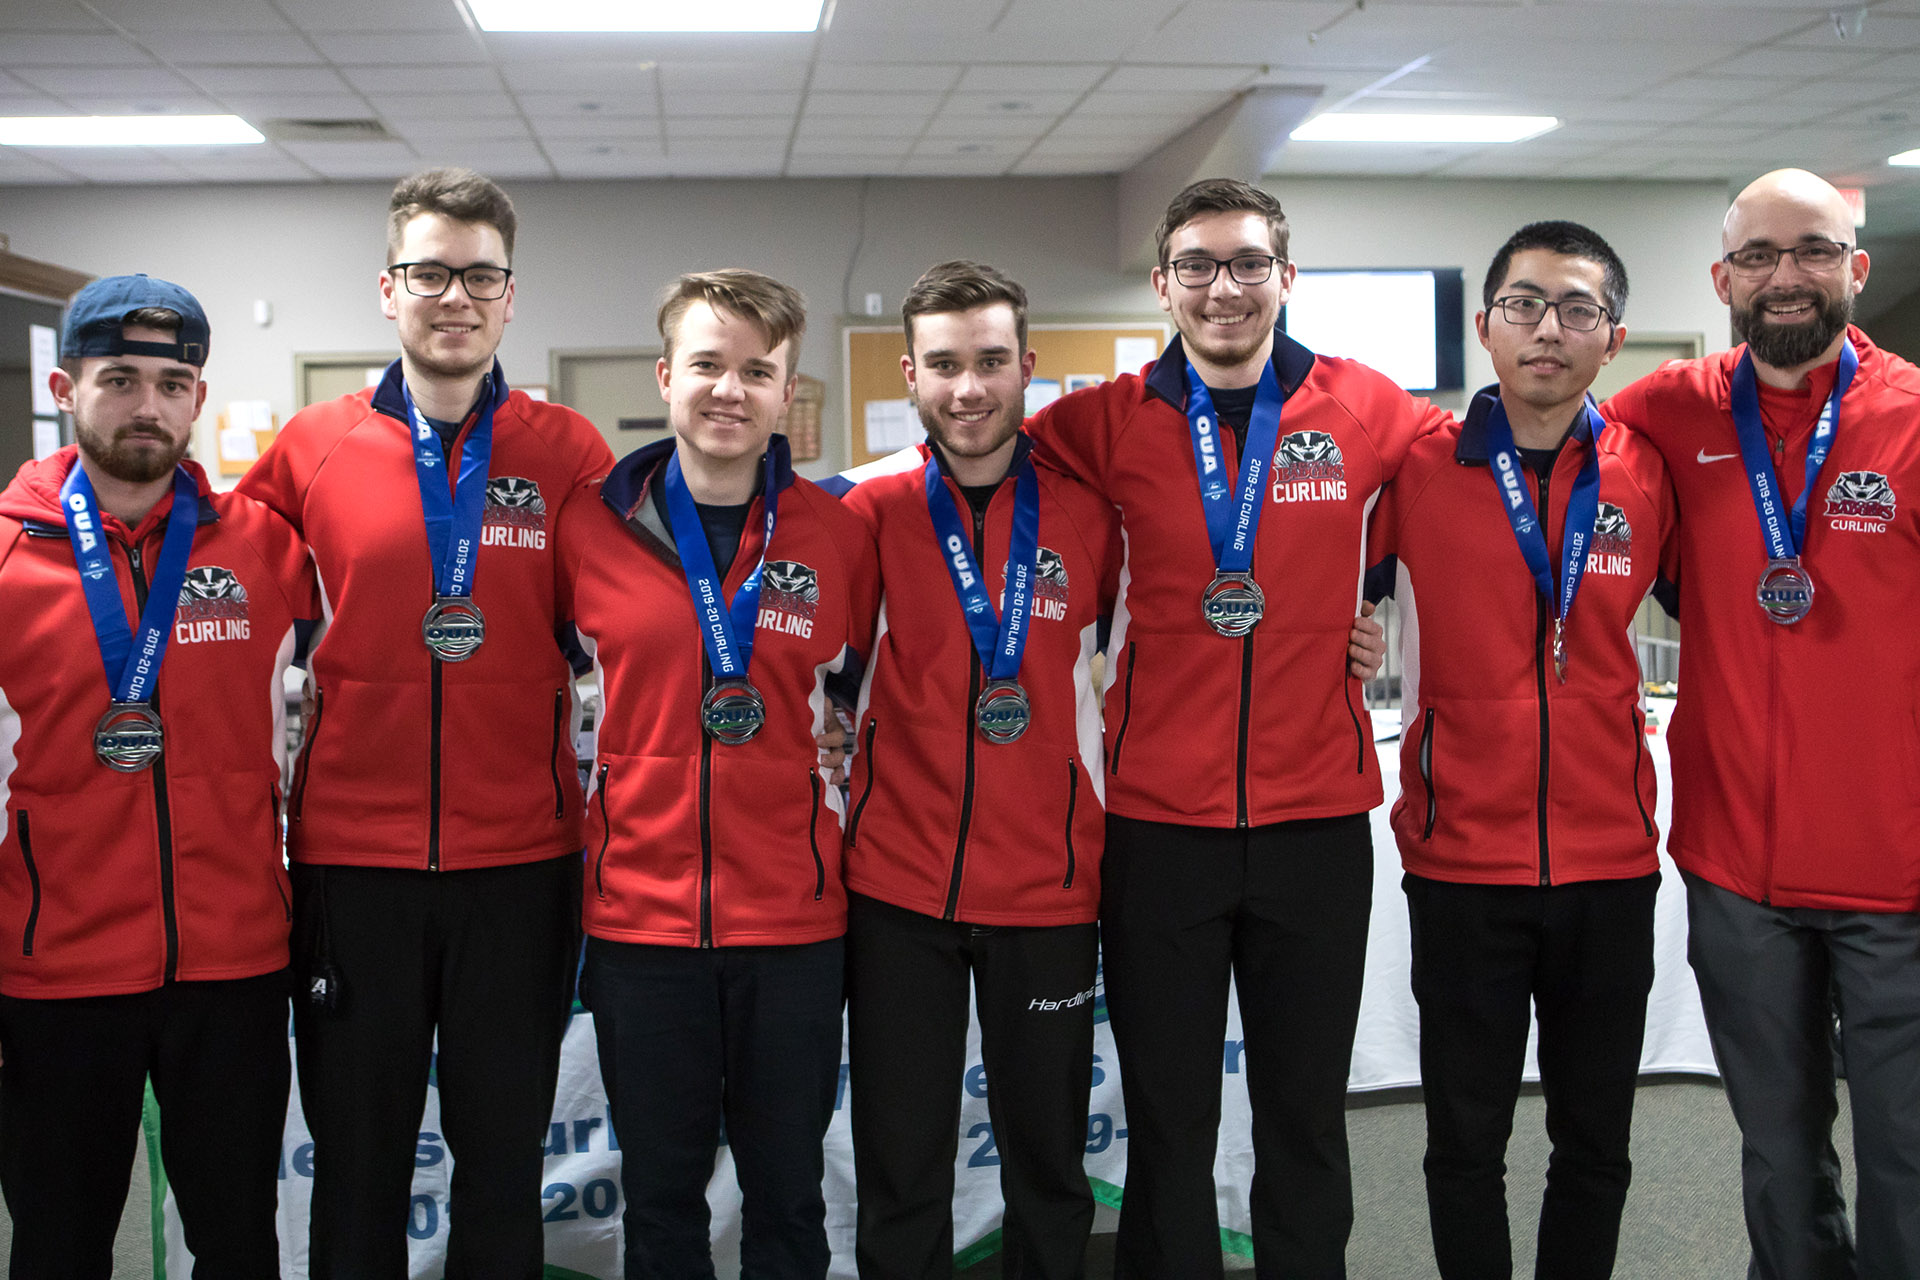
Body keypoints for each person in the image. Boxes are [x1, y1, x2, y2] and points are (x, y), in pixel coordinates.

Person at [1023, 177, 1439, 1278]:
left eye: (1249, 263)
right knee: (1170, 1118)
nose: (1225, 287)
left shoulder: (1368, 407)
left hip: (1315, 821)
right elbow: (956, 480)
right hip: (1160, 825)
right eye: (1198, 265)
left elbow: (1459, 484)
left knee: (1304, 1113)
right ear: (1163, 283)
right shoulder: (1095, 424)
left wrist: (1379, 596)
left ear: (1286, 278)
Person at [238, 168, 614, 1277]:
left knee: (502, 1164)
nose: (456, 295)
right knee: (358, 1163)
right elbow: (198, 571)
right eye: (431, 272)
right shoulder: (310, 449)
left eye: (480, 275)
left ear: (510, 295)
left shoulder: (568, 453)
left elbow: (634, 619)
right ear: (389, 289)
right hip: (356, 867)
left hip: (521, 867)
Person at [1604, 168, 1920, 1280]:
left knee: (1906, 1159)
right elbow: (1519, 474)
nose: (1787, 276)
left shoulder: (1915, 419)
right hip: (1740, 868)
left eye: (1814, 250)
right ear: (1723, 277)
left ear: (1856, 268)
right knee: (1778, 1157)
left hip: (1899, 876)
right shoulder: (1666, 410)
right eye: (1760, 256)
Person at [556, 269, 878, 1280]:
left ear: (789, 393)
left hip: (795, 926)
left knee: (789, 1193)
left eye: (757, 370)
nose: (728, 389)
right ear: (665, 375)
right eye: (707, 364)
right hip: (641, 929)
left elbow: (873, 692)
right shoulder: (586, 529)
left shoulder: (843, 535)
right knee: (661, 1196)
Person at [1367, 222, 1675, 1278]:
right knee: (1465, 1143)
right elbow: (1323, 596)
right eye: (1526, 304)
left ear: (1614, 336)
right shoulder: (1413, 470)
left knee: (1597, 1144)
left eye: (1578, 309)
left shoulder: (1650, 475)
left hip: (1611, 866)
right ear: (1487, 327)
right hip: (1462, 868)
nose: (1550, 328)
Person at [0, 275, 313, 1278]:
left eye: (172, 382)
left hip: (234, 965)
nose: (147, 404)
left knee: (235, 1239)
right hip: (54, 968)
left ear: (197, 398)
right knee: (58, 1241)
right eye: (119, 377)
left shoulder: (269, 552)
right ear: (64, 384)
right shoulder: (5, 556)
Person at [832, 261, 1119, 1278]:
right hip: (897, 888)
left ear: (1027, 367)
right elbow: (799, 658)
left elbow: (1161, 648)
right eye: (945, 364)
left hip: (1047, 883)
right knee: (901, 1163)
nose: (968, 388)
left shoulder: (1093, 515)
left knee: (1049, 1168)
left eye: (990, 361)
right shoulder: (860, 511)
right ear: (911, 372)